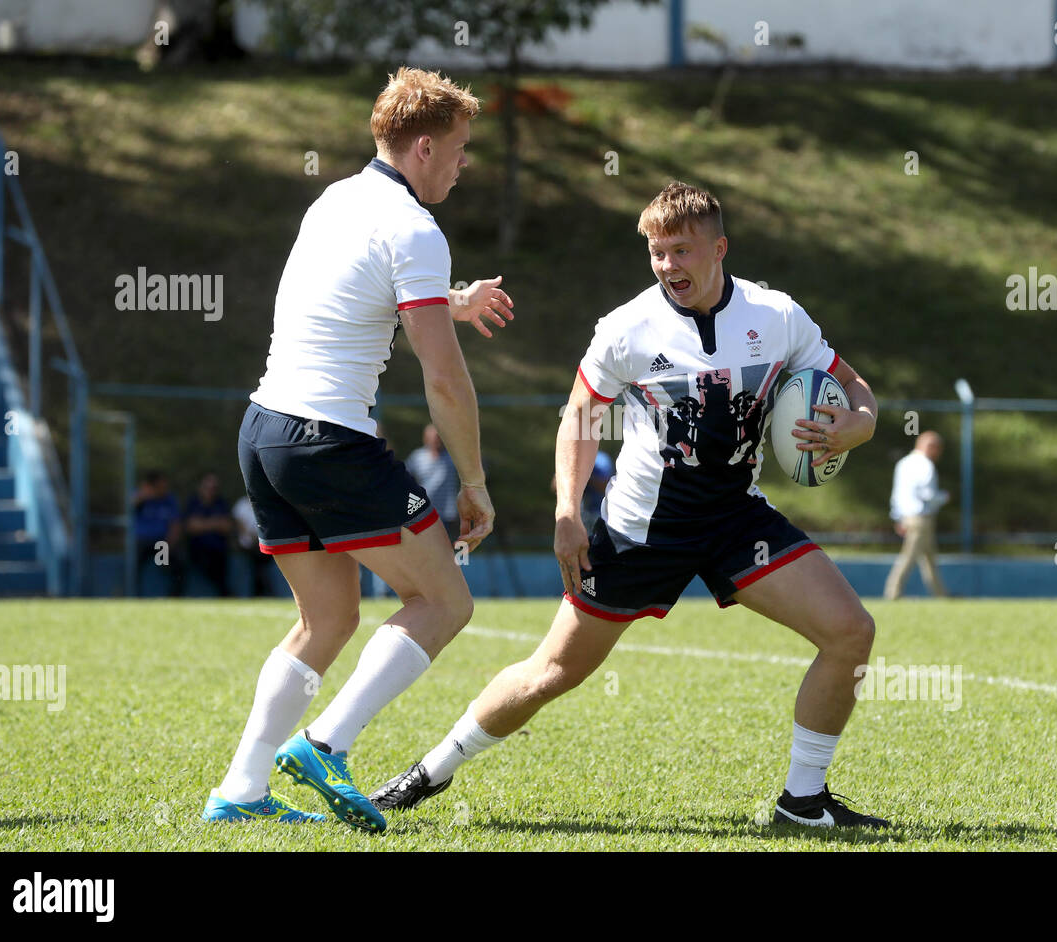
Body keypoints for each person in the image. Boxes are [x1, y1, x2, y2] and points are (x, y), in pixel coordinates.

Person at [369, 182, 890, 829]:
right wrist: (566, 512)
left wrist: (856, 425)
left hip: (736, 519)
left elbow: (853, 388)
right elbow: (581, 417)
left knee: (850, 631)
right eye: (656, 252)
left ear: (719, 248)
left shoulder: (776, 316)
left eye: (681, 250)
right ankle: (430, 771)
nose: (669, 265)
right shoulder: (628, 327)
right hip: (640, 529)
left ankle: (803, 800)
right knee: (551, 672)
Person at [202, 67, 515, 829]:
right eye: (462, 150)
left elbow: (356, 288)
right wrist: (473, 482)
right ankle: (327, 744)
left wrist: (454, 299)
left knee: (327, 616)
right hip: (327, 440)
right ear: (425, 145)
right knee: (444, 599)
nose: (464, 164)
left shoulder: (336, 198)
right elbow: (444, 378)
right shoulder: (416, 227)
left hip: (265, 432)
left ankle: (239, 791)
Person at [884, 431, 950, 600]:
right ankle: (893, 593)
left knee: (929, 560)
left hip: (907, 517)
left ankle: (940, 595)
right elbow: (928, 494)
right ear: (931, 447)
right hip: (921, 519)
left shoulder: (903, 463)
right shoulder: (925, 465)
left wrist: (898, 517)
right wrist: (944, 497)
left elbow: (896, 494)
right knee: (909, 557)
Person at [406, 424, 460, 543]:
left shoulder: (453, 457)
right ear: (426, 438)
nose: (436, 439)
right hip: (423, 513)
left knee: (448, 550)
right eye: (433, 436)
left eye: (438, 436)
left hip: (447, 514)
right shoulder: (417, 456)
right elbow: (405, 478)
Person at [132, 470, 182, 596]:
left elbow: (175, 524)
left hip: (161, 543)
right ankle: (131, 596)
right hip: (142, 542)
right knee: (133, 565)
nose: (164, 488)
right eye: (161, 485)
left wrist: (171, 542)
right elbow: (131, 503)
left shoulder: (169, 499)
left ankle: (173, 597)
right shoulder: (142, 498)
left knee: (175, 564)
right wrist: (147, 493)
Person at [184, 471, 234, 597]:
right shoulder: (193, 503)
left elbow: (227, 526)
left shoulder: (221, 503)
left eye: (214, 488)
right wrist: (215, 523)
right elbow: (191, 527)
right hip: (197, 551)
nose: (211, 490)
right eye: (208, 487)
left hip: (219, 551)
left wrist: (203, 524)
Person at [232, 493, 275, 597]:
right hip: (246, 549)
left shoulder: (268, 504)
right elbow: (239, 527)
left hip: (266, 548)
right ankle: (243, 596)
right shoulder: (241, 504)